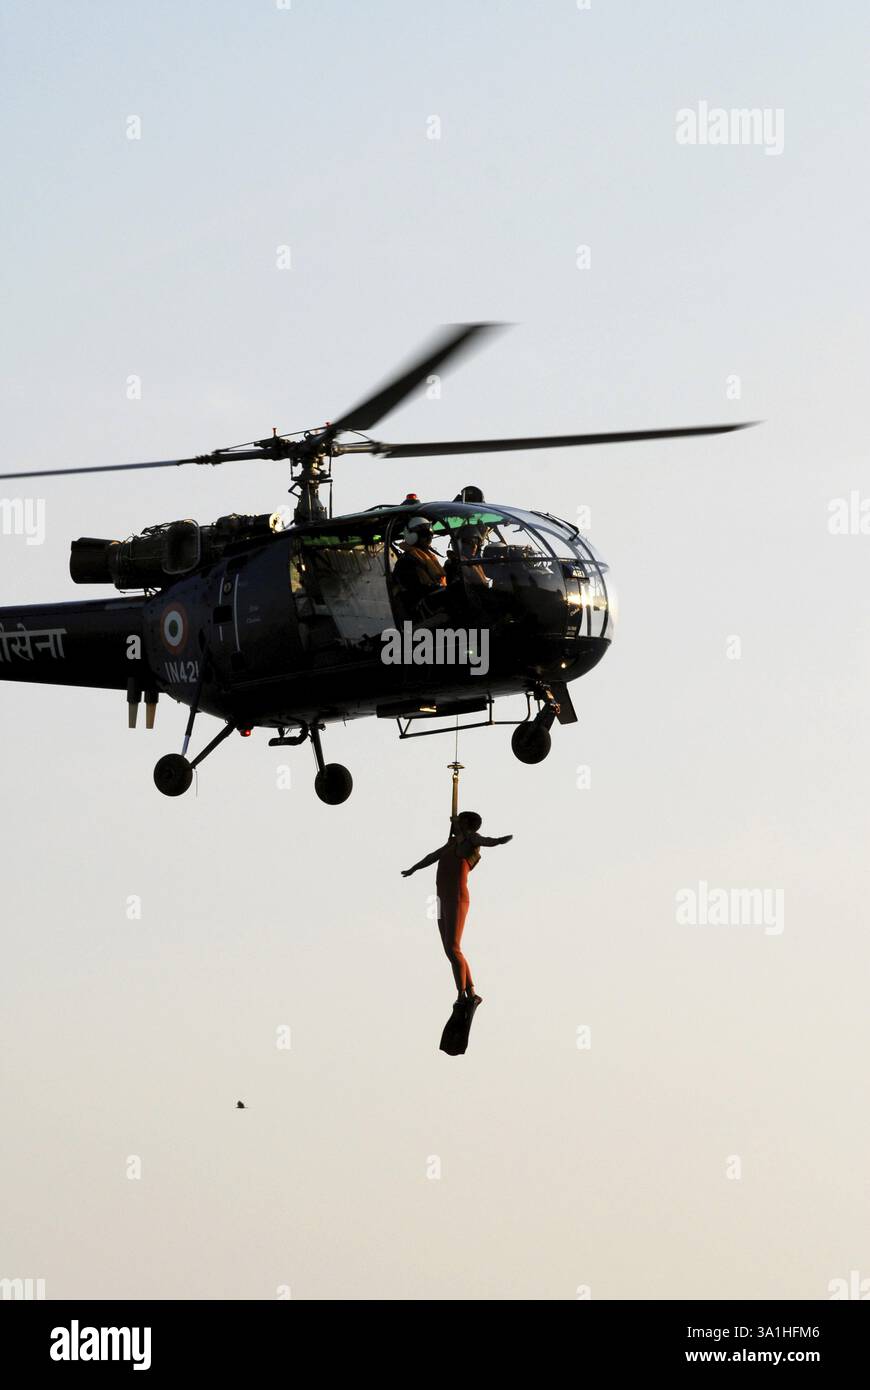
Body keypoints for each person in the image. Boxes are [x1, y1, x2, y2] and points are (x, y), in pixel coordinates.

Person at [402, 811, 513, 1004]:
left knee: (453, 948)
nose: (454, 821)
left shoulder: (469, 843)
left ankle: (462, 994)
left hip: (456, 897)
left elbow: (483, 840)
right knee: (450, 949)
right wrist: (414, 868)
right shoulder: (452, 844)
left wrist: (498, 841)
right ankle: (470, 992)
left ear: (467, 824)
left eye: (459, 820)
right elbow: (432, 856)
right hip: (441, 898)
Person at [391, 516, 447, 620]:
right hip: (421, 614)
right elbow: (415, 591)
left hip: (435, 605)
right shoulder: (406, 562)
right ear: (412, 536)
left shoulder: (427, 557)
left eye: (430, 534)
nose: (428, 538)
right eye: (424, 535)